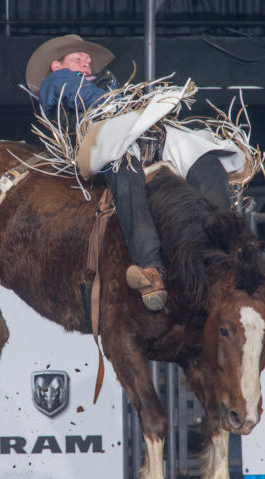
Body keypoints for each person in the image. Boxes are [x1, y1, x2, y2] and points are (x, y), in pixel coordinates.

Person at [26, 35, 241, 312]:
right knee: (124, 171)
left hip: (141, 131)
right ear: (57, 65)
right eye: (78, 58)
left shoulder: (107, 82)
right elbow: (86, 97)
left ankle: (223, 244)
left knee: (203, 157)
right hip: (100, 136)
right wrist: (120, 104)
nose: (86, 63)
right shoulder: (58, 80)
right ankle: (150, 266)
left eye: (88, 61)